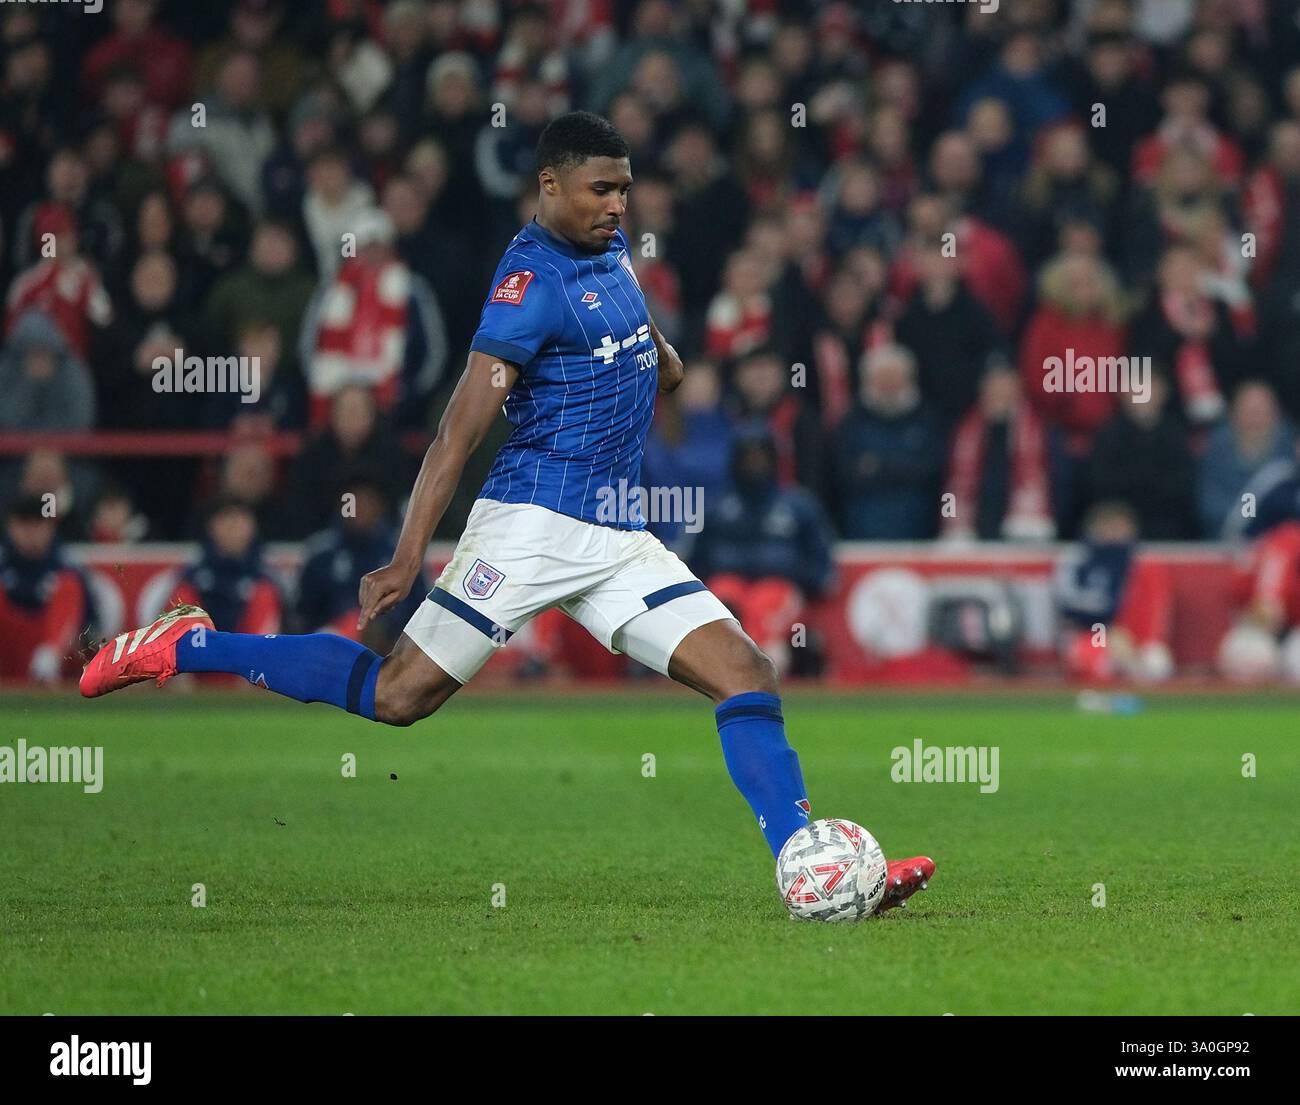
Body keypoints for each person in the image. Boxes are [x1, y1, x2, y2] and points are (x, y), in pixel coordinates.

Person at [79, 112, 934, 913]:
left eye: (625, 189)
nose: (617, 204)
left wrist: (662, 360)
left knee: (746, 670)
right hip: (527, 526)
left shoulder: (615, 252)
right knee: (398, 695)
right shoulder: (527, 286)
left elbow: (640, 336)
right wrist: (410, 552)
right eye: (600, 189)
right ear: (550, 186)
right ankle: (186, 642)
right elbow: (457, 430)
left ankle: (808, 869)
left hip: (614, 536)